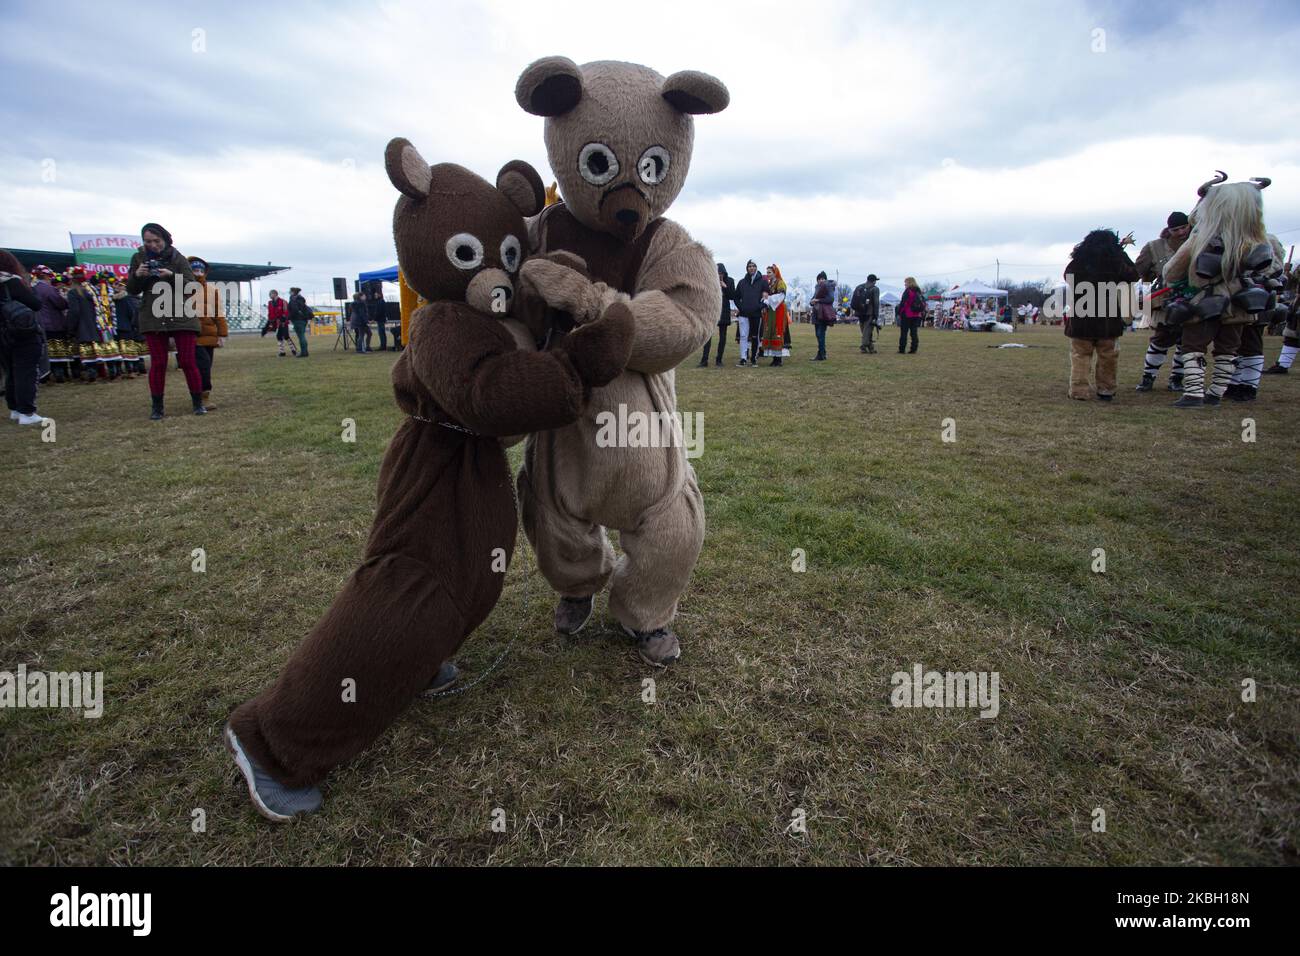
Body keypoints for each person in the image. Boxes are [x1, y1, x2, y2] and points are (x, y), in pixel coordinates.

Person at [1161, 175, 1279, 408]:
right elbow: (1271, 269)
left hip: (1203, 302)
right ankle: (1215, 393)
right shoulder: (1257, 241)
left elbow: (1171, 272)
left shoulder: (1200, 238)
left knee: (1193, 346)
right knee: (1228, 349)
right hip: (1239, 304)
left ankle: (1194, 393)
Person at [126, 223, 203, 418]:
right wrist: (138, 275)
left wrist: (171, 276)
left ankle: (198, 403)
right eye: (148, 241)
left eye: (156, 241)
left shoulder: (178, 258)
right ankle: (157, 408)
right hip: (153, 317)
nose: (152, 245)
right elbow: (132, 290)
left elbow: (192, 287)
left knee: (187, 361)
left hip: (181, 316)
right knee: (158, 363)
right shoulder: (138, 258)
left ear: (166, 239)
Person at [1064, 229, 1138, 401]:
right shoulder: (1115, 262)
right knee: (1108, 355)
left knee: (1080, 355)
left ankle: (1078, 390)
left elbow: (1068, 277)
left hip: (1081, 314)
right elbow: (1133, 275)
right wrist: (1120, 254)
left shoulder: (1078, 261)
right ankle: (1106, 389)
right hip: (1108, 316)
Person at [1133, 211, 1192, 391]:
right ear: (1169, 229)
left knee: (1186, 341)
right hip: (1166, 299)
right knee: (1161, 339)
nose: (1181, 232)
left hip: (1194, 299)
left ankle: (1177, 379)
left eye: (1184, 227)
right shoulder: (1154, 247)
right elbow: (1140, 271)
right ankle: (1148, 377)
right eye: (1176, 229)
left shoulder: (1200, 242)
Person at [0, 250, 45, 425]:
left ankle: (15, 409)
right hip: (22, 332)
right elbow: (36, 304)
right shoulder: (12, 282)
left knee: (10, 371)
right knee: (25, 371)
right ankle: (27, 412)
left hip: (2, 335)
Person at [188, 257, 229, 410]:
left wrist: (222, 334)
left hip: (209, 335)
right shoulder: (181, 288)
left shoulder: (212, 290)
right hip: (191, 335)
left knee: (206, 367)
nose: (197, 273)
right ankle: (201, 398)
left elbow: (219, 313)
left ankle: (202, 395)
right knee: (202, 366)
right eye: (194, 270)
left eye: (200, 270)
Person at [31, 265, 70, 384]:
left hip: (39, 324)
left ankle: (47, 374)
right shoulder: (49, 289)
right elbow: (61, 304)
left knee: (46, 351)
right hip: (54, 324)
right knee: (58, 350)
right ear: (46, 276)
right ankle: (60, 374)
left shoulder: (32, 289)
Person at [733, 259, 767, 366]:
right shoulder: (742, 282)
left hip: (756, 314)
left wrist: (759, 306)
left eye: (753, 266)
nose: (751, 268)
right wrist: (741, 307)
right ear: (747, 268)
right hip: (744, 314)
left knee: (755, 336)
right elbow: (736, 297)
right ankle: (743, 358)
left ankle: (753, 358)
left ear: (756, 268)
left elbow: (767, 298)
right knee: (743, 336)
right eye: (749, 266)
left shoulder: (763, 282)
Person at [700, 263, 735, 367]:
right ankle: (704, 360)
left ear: (724, 273)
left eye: (721, 273)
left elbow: (732, 296)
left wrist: (725, 287)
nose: (719, 275)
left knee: (723, 336)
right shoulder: (709, 281)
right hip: (712, 311)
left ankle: (719, 360)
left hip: (724, 311)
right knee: (708, 336)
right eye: (717, 272)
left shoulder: (730, 281)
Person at [760, 264, 791, 366]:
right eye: (767, 272)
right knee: (771, 330)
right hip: (771, 311)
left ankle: (779, 359)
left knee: (778, 331)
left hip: (779, 310)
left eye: (769, 272)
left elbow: (781, 296)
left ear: (775, 272)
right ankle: (774, 358)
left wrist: (768, 299)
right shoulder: (770, 284)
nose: (767, 274)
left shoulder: (780, 283)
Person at [810, 270, 836, 361]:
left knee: (820, 334)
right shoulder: (817, 287)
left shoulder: (828, 286)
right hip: (817, 313)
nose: (821, 280)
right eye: (819, 279)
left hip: (823, 314)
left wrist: (818, 300)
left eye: (823, 279)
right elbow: (813, 298)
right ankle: (822, 353)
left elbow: (830, 299)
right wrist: (812, 301)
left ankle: (821, 354)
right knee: (818, 335)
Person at [851, 274, 881, 353]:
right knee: (867, 330)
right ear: (874, 281)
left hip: (859, 312)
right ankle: (863, 346)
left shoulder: (859, 287)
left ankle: (871, 347)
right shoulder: (875, 289)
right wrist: (876, 315)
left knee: (865, 330)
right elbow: (876, 302)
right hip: (869, 312)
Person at [897, 277, 926, 353]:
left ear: (909, 282)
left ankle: (902, 349)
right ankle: (914, 349)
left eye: (905, 282)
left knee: (904, 333)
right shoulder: (918, 291)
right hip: (916, 315)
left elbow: (904, 303)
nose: (904, 284)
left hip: (907, 314)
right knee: (914, 333)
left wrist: (899, 312)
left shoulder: (908, 291)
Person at [263, 289, 294, 356]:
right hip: (276, 322)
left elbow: (286, 311)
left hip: (283, 322)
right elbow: (270, 313)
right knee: (279, 336)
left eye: (271, 294)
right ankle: (282, 351)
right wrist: (270, 321)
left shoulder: (283, 302)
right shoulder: (270, 303)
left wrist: (284, 317)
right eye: (270, 294)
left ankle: (293, 349)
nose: (270, 296)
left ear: (275, 294)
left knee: (286, 336)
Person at [287, 286, 311, 357]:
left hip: (298, 320)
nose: (289, 292)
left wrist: (291, 317)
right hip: (303, 319)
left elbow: (294, 310)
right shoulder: (301, 299)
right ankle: (305, 351)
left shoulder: (293, 299)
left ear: (293, 292)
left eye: (290, 291)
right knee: (302, 336)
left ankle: (304, 352)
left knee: (301, 336)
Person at [366, 283, 389, 351]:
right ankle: (383, 345)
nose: (375, 296)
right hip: (381, 319)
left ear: (379, 295)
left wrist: (374, 319)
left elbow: (379, 312)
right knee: (382, 333)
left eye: (376, 295)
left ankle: (383, 346)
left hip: (380, 319)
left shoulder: (380, 302)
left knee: (381, 333)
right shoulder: (381, 301)